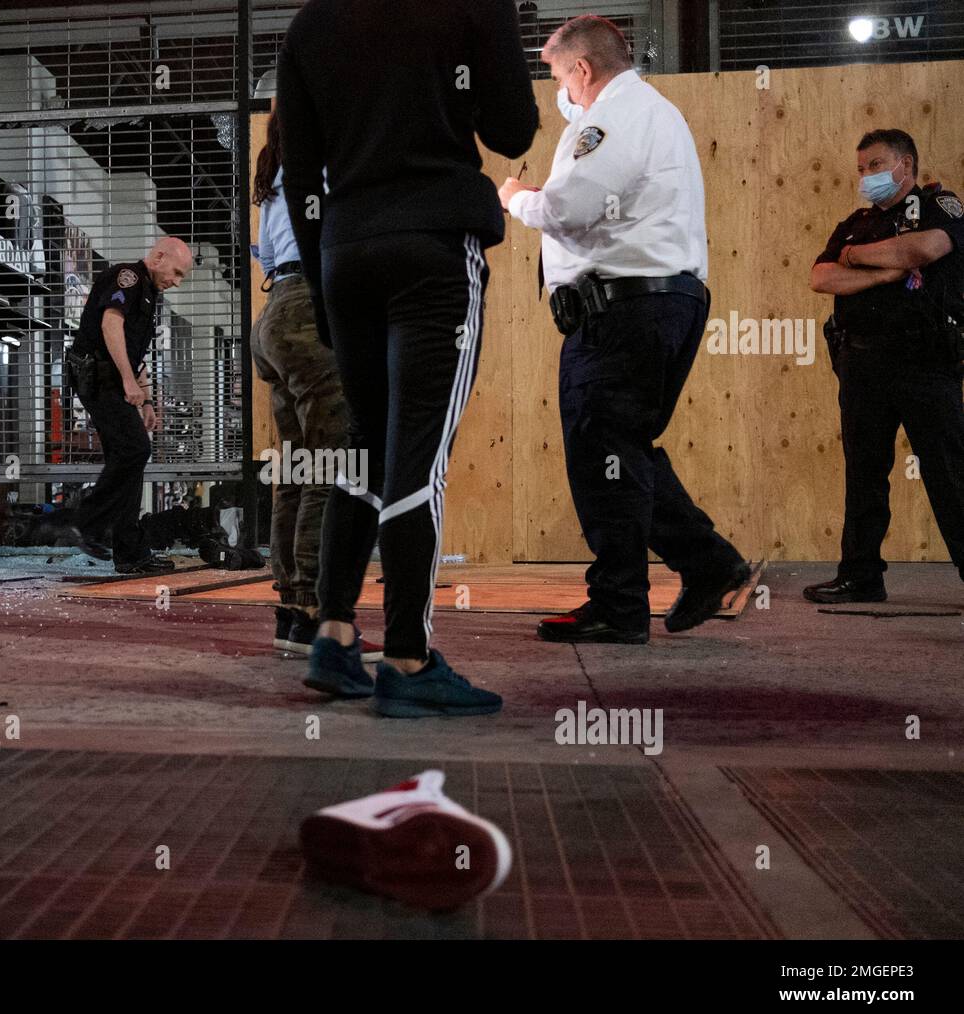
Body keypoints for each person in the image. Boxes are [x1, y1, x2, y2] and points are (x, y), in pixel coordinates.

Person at [278, 0, 537, 716]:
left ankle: (332, 632)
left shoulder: (309, 22)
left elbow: (300, 175)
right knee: (415, 454)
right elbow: (512, 128)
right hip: (433, 239)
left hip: (343, 252)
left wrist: (326, 292)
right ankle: (407, 657)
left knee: (364, 443)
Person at [499, 14, 748, 644]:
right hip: (649, 306)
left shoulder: (613, 116)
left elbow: (569, 207)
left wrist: (516, 197)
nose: (559, 89)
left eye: (559, 75)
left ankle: (620, 605)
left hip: (623, 312)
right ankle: (707, 564)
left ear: (582, 69)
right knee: (620, 449)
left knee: (603, 449)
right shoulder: (641, 113)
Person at [806, 130, 964, 603]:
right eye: (860, 169)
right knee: (864, 474)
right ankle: (860, 576)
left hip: (925, 363)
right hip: (863, 363)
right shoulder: (855, 224)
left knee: (949, 472)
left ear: (906, 165)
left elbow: (924, 250)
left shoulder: (942, 207)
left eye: (876, 165)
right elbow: (821, 276)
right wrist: (880, 266)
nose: (866, 176)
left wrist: (858, 261)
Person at [251, 102, 382, 662]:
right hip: (310, 306)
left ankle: (292, 610)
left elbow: (268, 254)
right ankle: (313, 613)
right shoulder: (323, 159)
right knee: (331, 470)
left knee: (300, 470)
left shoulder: (276, 170)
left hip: (277, 312)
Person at [67, 237, 192, 574]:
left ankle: (130, 552)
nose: (176, 281)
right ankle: (88, 522)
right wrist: (126, 380)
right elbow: (111, 323)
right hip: (96, 375)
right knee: (135, 449)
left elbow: (136, 355)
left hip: (111, 377)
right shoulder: (129, 277)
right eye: (177, 272)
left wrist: (147, 399)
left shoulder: (150, 296)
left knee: (130, 458)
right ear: (159, 256)